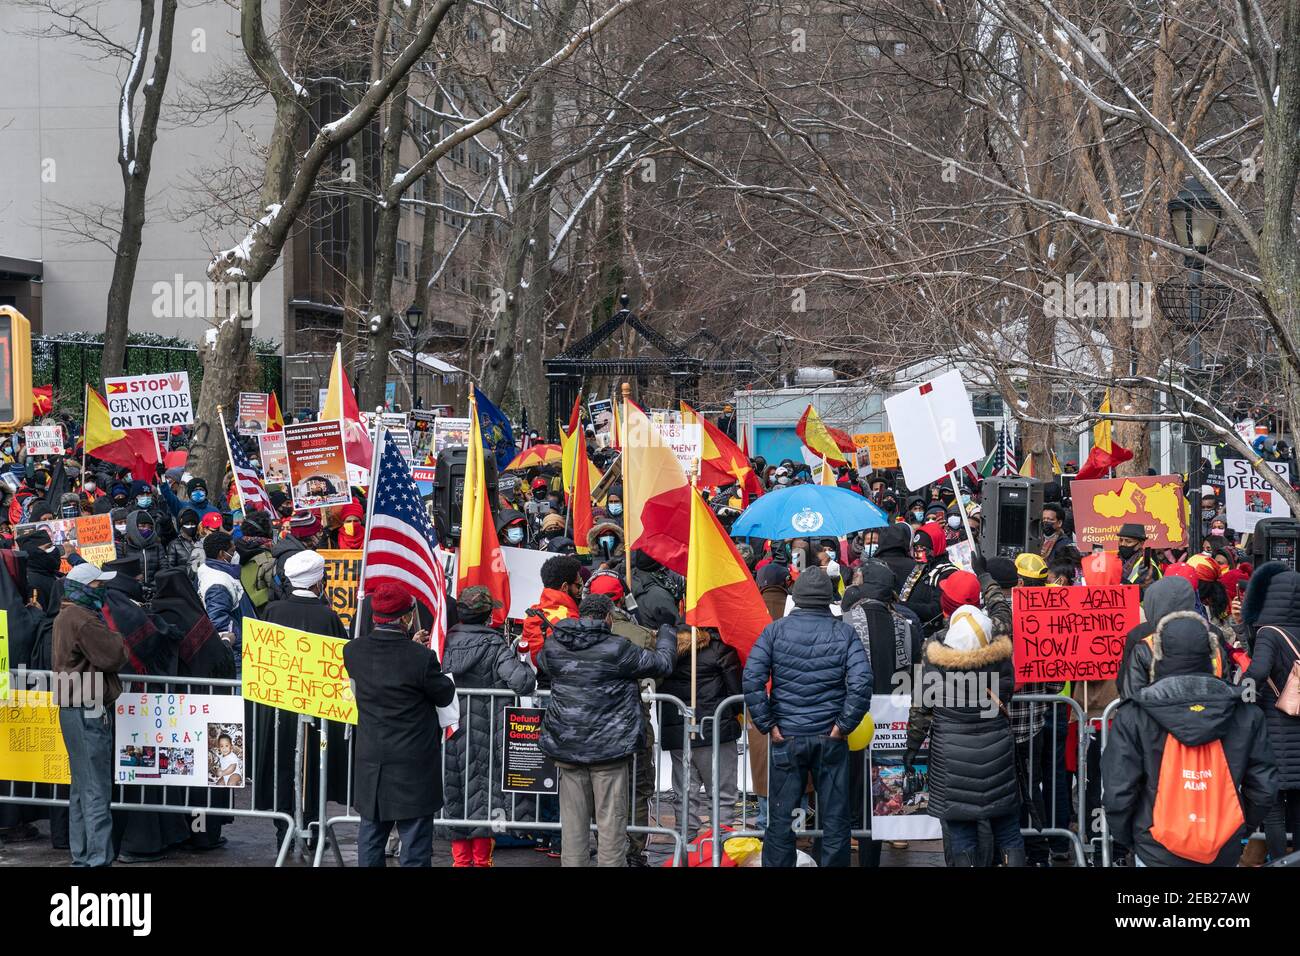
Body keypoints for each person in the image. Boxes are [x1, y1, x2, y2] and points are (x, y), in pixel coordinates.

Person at [1102, 612, 1277, 866]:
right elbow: (1263, 786)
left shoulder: (1134, 715)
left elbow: (1118, 791)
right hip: (1222, 846)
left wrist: (1134, 838)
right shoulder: (1245, 713)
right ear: (1211, 654)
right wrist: (1238, 829)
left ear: (1158, 653)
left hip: (1154, 847)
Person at [743, 567, 871, 867]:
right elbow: (862, 681)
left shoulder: (775, 631)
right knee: (836, 819)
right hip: (830, 738)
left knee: (780, 820)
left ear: (796, 596)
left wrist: (769, 725)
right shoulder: (844, 632)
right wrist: (842, 726)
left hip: (787, 736)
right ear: (828, 598)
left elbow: (752, 679)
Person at [537, 593, 677, 867]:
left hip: (568, 748)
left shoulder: (555, 646)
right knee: (611, 830)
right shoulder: (618, 649)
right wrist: (667, 633)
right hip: (609, 751)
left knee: (574, 831)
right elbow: (662, 663)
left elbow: (542, 662)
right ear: (610, 618)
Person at [904, 569, 1023, 866]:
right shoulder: (998, 647)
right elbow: (1006, 689)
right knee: (1007, 828)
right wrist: (986, 577)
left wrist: (911, 748)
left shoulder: (935, 648)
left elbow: (922, 707)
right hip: (997, 746)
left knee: (960, 830)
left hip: (950, 754)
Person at [344, 584, 457, 867]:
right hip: (412, 762)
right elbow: (444, 693)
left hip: (372, 758)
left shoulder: (353, 651)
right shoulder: (420, 658)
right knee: (415, 845)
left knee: (370, 836)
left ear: (374, 617)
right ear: (406, 618)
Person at [436, 586, 537, 867]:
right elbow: (522, 682)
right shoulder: (494, 646)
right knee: (485, 798)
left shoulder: (441, 641)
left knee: (454, 795)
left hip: (449, 732)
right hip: (486, 734)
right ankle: (481, 862)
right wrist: (524, 662)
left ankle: (460, 862)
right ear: (487, 616)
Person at [258, 549, 351, 850]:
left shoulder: (273, 611)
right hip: (318, 712)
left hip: (280, 710)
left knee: (282, 763)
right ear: (318, 582)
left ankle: (281, 826)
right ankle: (311, 823)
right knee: (315, 766)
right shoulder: (328, 617)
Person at [52, 561, 128, 867]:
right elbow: (115, 654)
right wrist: (119, 637)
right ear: (86, 588)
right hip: (87, 709)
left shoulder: (65, 615)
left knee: (82, 788)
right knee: (95, 789)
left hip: (74, 707)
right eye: (98, 586)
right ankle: (96, 859)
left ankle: (83, 856)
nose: (103, 591)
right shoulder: (83, 619)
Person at [658, 624, 743, 841]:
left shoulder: (665, 651)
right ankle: (720, 845)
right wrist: (732, 715)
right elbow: (737, 692)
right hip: (715, 732)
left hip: (679, 734)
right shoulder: (720, 650)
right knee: (722, 794)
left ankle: (685, 845)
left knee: (685, 794)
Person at [1240, 562, 1300, 861]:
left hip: (1276, 729)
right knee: (1299, 806)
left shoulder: (1270, 633)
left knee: (1273, 805)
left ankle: (1279, 860)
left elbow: (1259, 671)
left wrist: (1241, 691)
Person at [196, 532, 254, 668]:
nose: (236, 555)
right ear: (222, 554)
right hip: (238, 654)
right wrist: (244, 644)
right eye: (232, 551)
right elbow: (219, 620)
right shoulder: (218, 583)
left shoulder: (216, 572)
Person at [521, 555, 583, 670]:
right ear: (564, 587)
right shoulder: (568, 618)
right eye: (577, 586)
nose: (579, 591)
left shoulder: (533, 612)